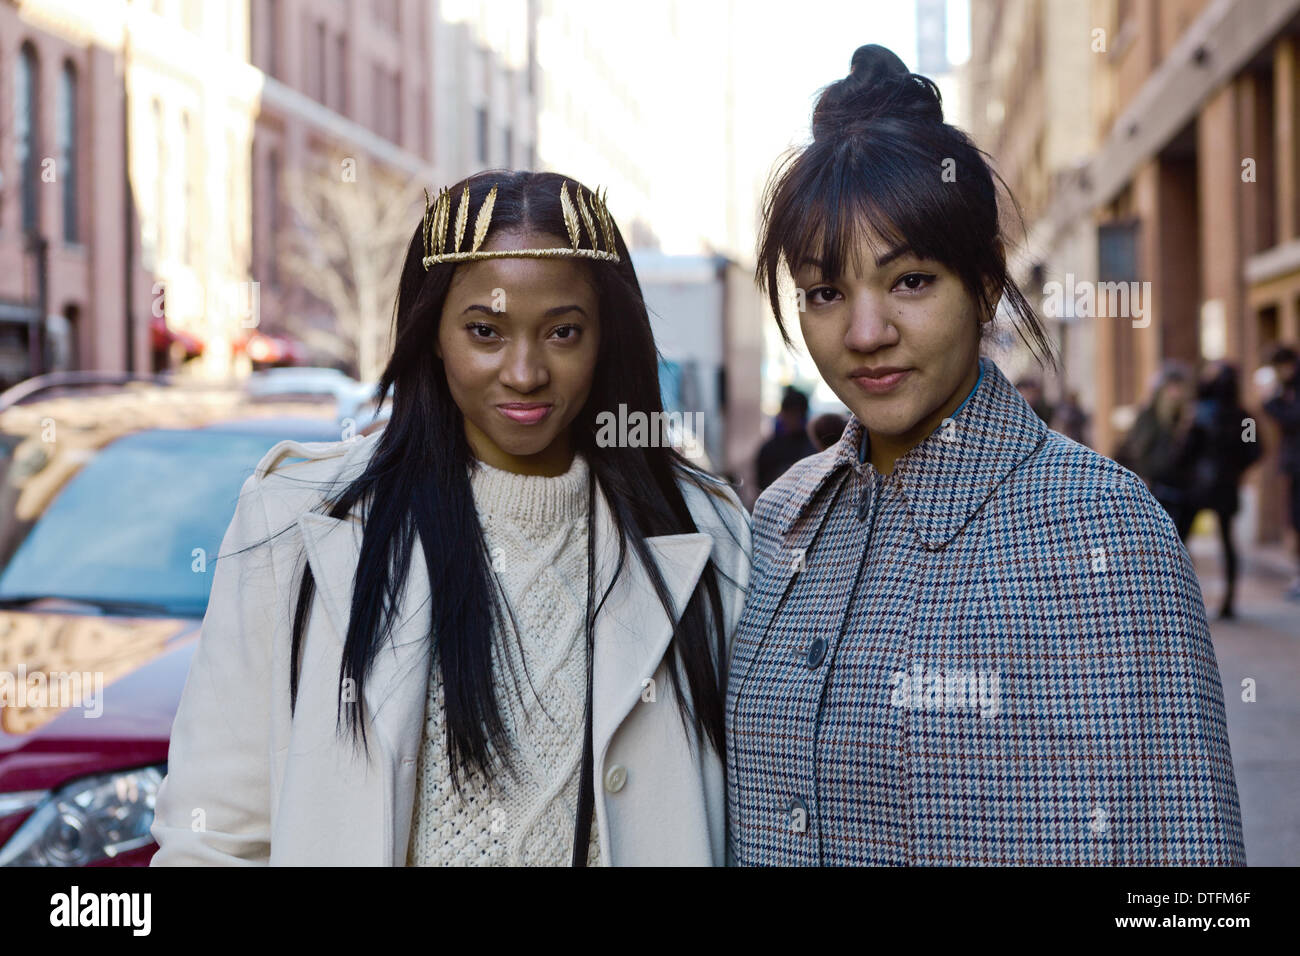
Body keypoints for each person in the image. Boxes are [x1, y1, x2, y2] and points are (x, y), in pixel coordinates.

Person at [727, 44, 1245, 865]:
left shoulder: (1102, 531)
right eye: (825, 293)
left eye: (910, 282)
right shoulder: (781, 519)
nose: (866, 334)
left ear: (986, 283)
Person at [151, 171, 752, 866]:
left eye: (563, 331)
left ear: (605, 337)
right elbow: (213, 837)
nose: (524, 373)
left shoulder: (708, 536)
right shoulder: (294, 519)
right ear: (433, 333)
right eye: (485, 331)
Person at [1185, 362, 1262, 618]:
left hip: (1203, 484)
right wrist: (1237, 468)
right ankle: (1228, 600)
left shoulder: (1203, 413)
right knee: (1225, 541)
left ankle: (1193, 598)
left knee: (1184, 538)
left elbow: (1187, 449)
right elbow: (1253, 450)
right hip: (1221, 484)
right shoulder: (1244, 416)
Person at [1116, 364, 1197, 540]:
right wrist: (1143, 475)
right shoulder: (1149, 416)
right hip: (1157, 485)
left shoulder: (1191, 418)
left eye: (1179, 387)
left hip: (1185, 488)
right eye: (1171, 387)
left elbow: (1195, 453)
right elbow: (1139, 447)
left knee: (1181, 539)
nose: (1175, 393)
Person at [1261, 344, 1300, 599]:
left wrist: (1269, 401)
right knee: (1294, 522)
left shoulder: (1291, 392)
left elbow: (1292, 418)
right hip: (1293, 466)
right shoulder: (1285, 390)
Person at [756, 385, 817, 491]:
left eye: (795, 415)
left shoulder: (812, 447)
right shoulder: (769, 448)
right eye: (789, 414)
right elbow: (761, 483)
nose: (791, 419)